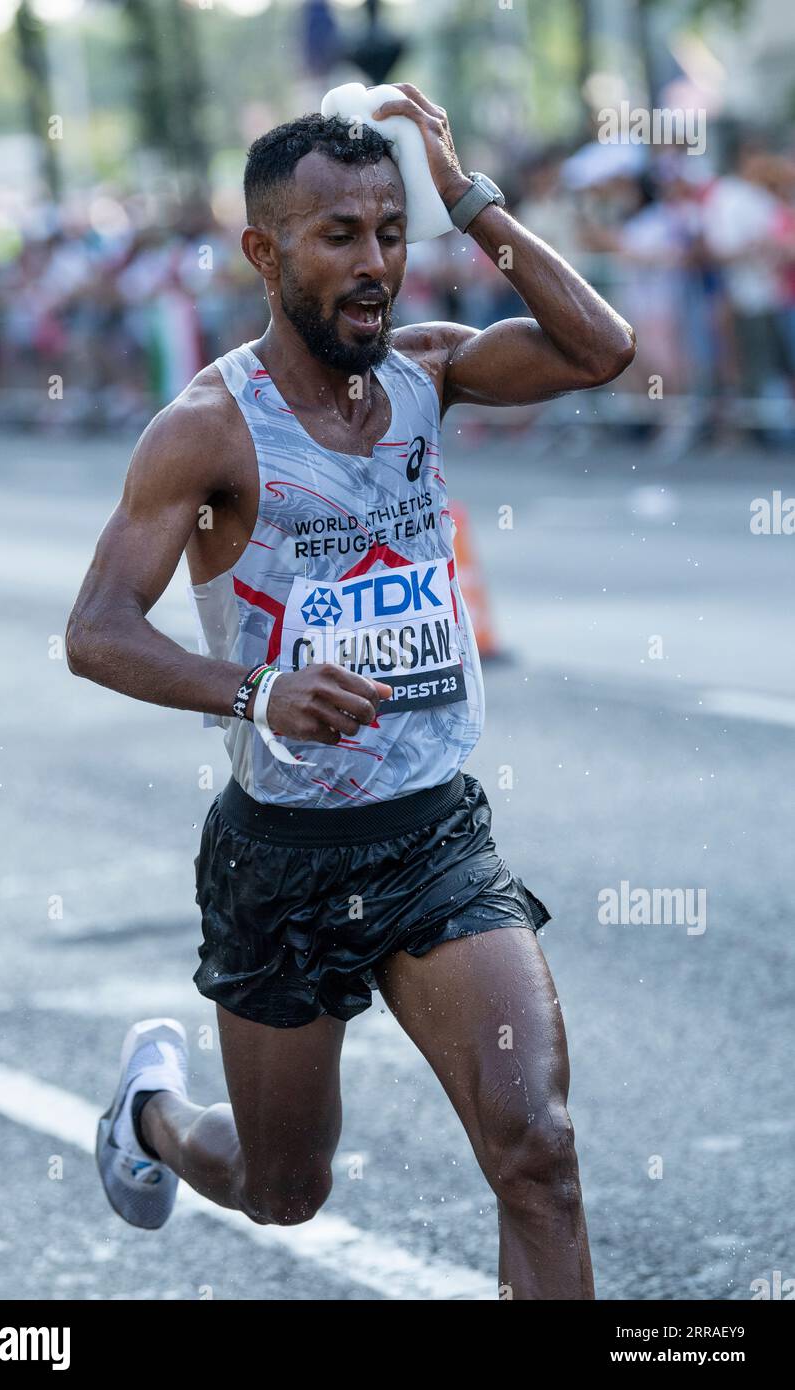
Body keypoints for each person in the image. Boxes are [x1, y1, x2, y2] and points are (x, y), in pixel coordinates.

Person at [67, 83, 635, 1299]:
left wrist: (465, 189)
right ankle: (155, 1116)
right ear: (265, 253)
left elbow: (605, 350)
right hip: (282, 856)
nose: (377, 262)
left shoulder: (432, 371)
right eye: (341, 237)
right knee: (285, 1189)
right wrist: (259, 692)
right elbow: (96, 631)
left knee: (539, 1152)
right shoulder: (208, 428)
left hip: (432, 837)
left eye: (392, 230)